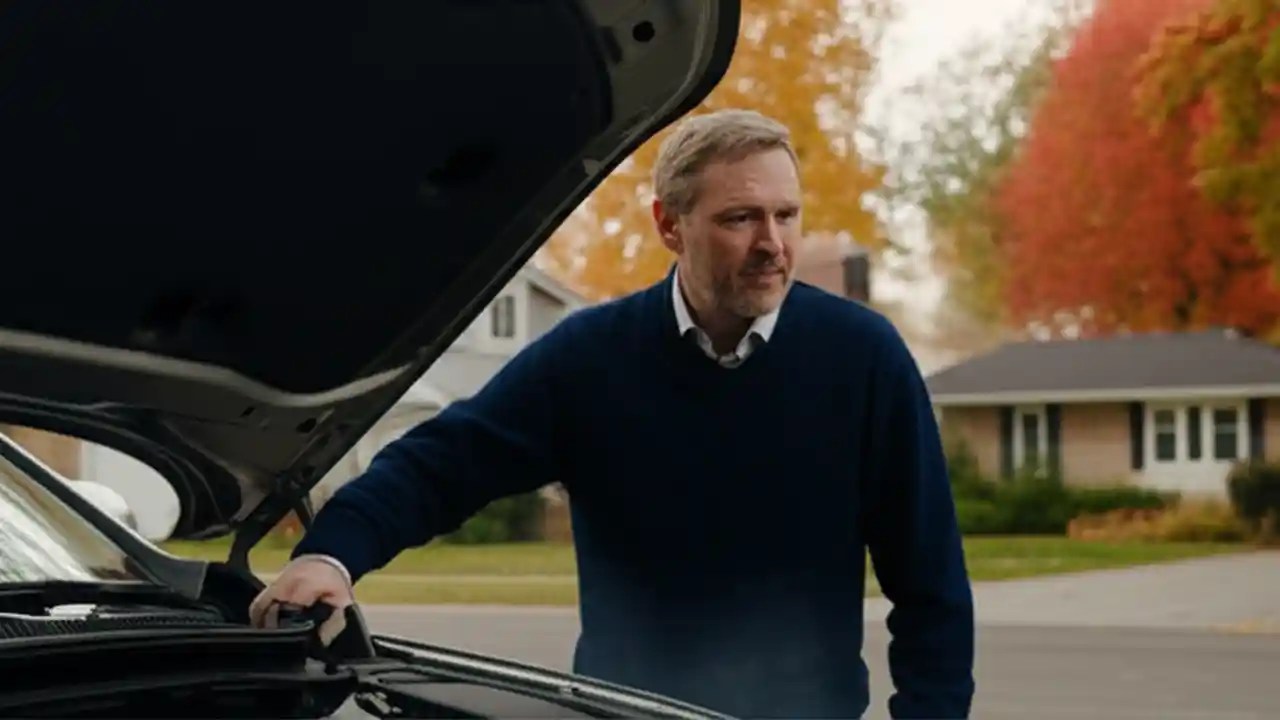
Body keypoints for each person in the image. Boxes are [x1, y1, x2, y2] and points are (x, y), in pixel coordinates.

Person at [249, 108, 975, 719]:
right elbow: (441, 465)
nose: (773, 245)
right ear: (669, 224)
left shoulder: (864, 358)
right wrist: (331, 554)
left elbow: (931, 582)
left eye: (786, 215)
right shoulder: (589, 359)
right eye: (740, 219)